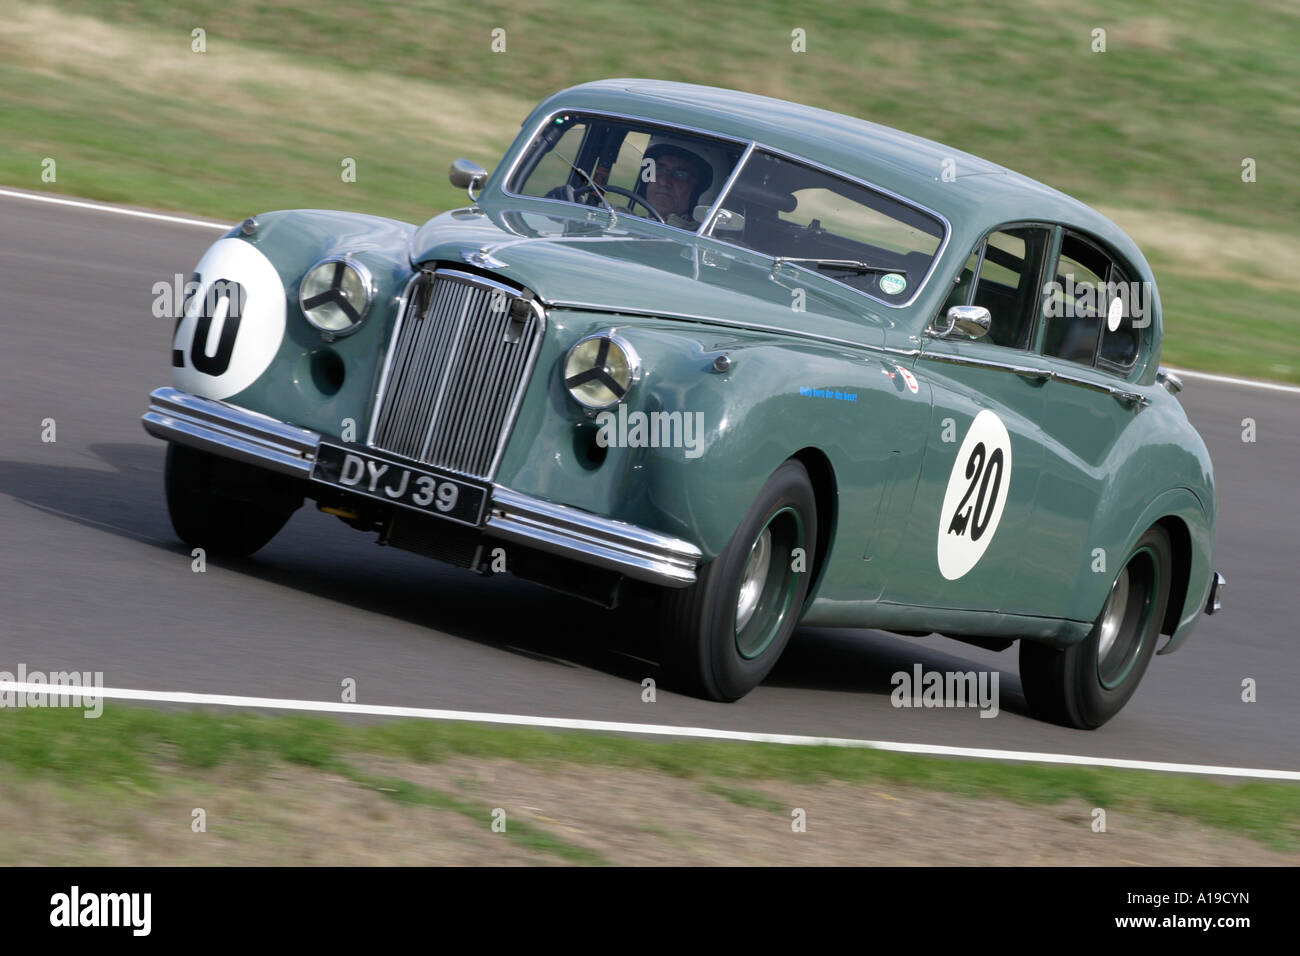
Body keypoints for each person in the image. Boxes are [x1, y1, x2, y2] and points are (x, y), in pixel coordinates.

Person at [639, 142, 713, 229]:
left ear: (697, 190)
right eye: (659, 169)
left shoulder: (703, 240)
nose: (664, 181)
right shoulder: (623, 222)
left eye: (680, 175)